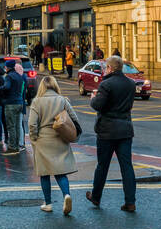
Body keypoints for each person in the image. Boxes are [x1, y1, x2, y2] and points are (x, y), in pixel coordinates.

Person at [86, 55, 137, 213]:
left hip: (107, 131)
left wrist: (93, 98)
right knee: (127, 167)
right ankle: (130, 202)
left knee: (102, 166)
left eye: (106, 67)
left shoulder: (106, 84)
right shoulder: (130, 84)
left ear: (110, 68)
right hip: (125, 129)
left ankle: (96, 196)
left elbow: (99, 105)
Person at [29, 75, 79, 215]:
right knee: (60, 172)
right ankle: (66, 195)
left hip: (43, 140)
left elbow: (32, 124)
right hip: (60, 138)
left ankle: (48, 203)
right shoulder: (62, 100)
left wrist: (34, 139)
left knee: (44, 173)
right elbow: (74, 119)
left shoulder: (37, 102)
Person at [3, 59, 28, 152]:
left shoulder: (9, 76)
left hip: (11, 103)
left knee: (11, 125)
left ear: (7, 67)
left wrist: (0, 88)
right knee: (18, 125)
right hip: (20, 103)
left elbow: (7, 87)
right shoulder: (20, 76)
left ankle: (12, 145)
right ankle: (18, 144)